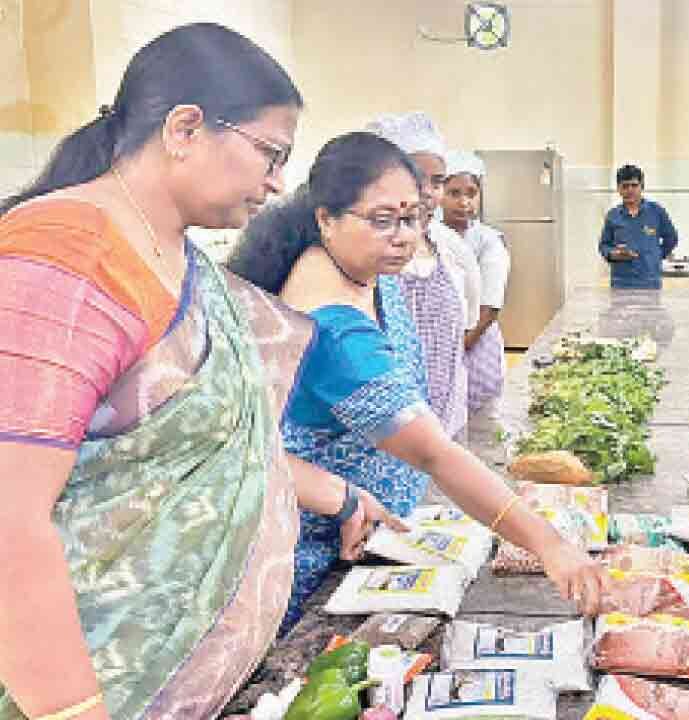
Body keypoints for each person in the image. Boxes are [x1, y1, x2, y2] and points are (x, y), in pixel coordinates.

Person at [0, 24, 400, 720]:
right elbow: (9, 519)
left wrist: (340, 496)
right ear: (185, 127)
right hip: (87, 690)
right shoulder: (66, 257)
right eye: (270, 153)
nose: (279, 183)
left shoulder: (181, 261)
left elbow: (210, 445)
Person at [230, 132, 608, 635]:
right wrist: (548, 544)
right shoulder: (337, 332)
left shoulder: (363, 268)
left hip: (370, 533)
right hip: (316, 556)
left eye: (412, 217)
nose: (404, 235)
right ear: (325, 218)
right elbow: (433, 453)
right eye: (383, 220)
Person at [365, 113, 479, 440]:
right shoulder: (361, 250)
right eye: (416, 177)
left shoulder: (454, 250)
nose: (428, 192)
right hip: (380, 437)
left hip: (446, 428)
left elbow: (466, 330)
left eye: (438, 181)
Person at [441, 150, 510, 414]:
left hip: (475, 342)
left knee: (479, 418)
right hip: (441, 342)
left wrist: (461, 345)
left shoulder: (489, 241)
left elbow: (490, 306)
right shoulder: (428, 236)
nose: (464, 202)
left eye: (471, 193)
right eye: (454, 193)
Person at [598, 165, 679, 290]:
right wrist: (614, 254)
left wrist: (655, 257)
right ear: (618, 189)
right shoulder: (612, 215)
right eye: (625, 186)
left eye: (634, 185)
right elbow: (604, 245)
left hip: (650, 283)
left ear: (642, 187)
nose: (630, 190)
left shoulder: (656, 211)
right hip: (621, 284)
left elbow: (671, 238)